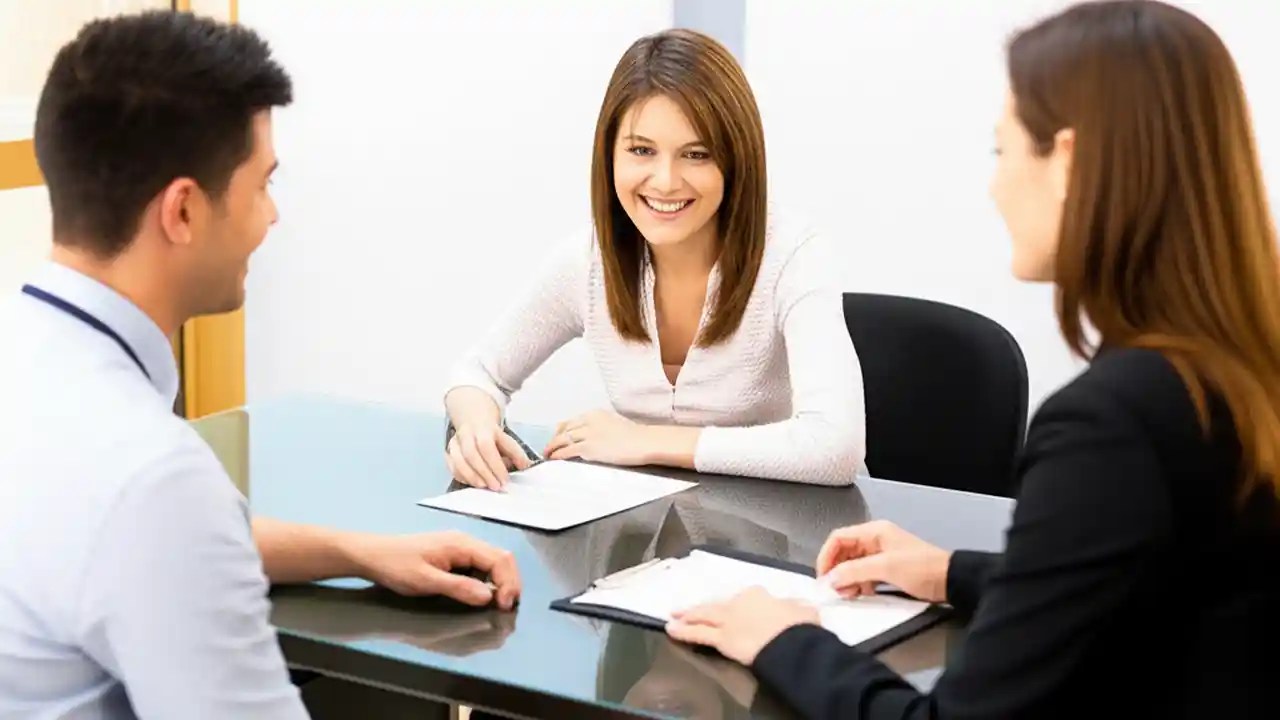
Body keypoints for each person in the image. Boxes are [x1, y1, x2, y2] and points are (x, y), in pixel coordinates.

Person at [664, 2, 1280, 718]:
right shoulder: (1234, 374)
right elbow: (1166, 584)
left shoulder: (1114, 422)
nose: (994, 186)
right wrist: (950, 571)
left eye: (1004, 150)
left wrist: (787, 638)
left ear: (1068, 161)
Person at [0, 12, 519, 719]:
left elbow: (153, 549)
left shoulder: (31, 365)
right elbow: (163, 527)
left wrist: (359, 552)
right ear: (182, 211)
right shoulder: (152, 479)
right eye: (262, 185)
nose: (272, 217)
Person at [442, 28, 866, 490]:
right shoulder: (588, 264)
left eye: (696, 154)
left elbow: (835, 447)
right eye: (641, 150)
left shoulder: (794, 257)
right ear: (610, 154)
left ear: (737, 160)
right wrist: (475, 427)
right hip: (651, 531)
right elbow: (477, 374)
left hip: (795, 536)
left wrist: (647, 441)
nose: (664, 181)